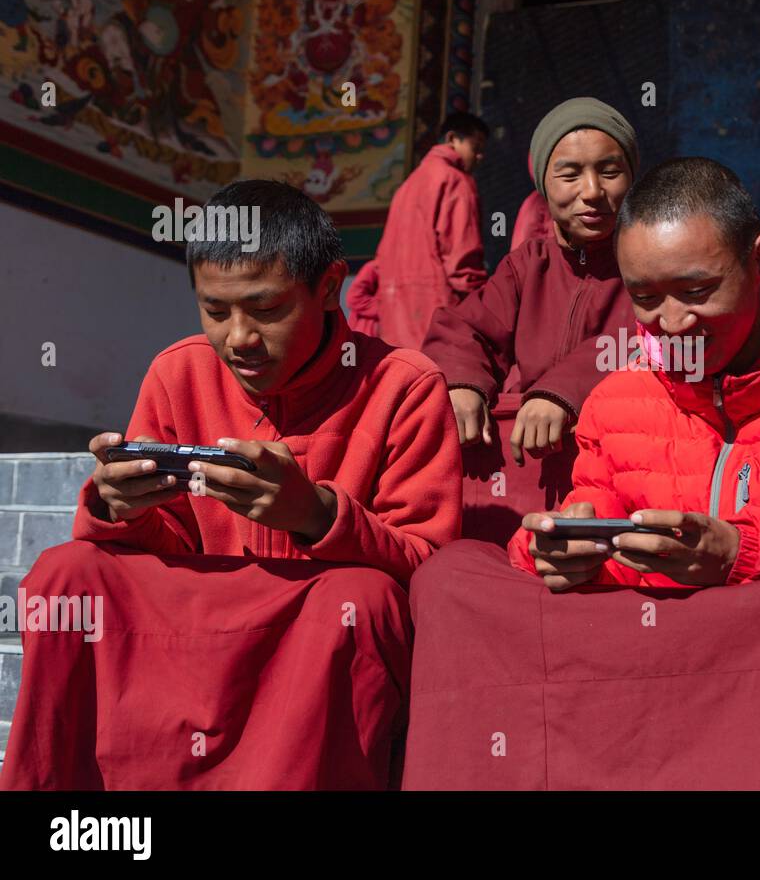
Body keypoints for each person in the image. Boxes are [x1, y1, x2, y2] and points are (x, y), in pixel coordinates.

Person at [402, 158, 760, 790]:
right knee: (453, 577)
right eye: (644, 298)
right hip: (641, 644)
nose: (671, 323)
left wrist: (743, 555)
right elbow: (593, 529)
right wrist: (556, 553)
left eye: (696, 292)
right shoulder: (617, 398)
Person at [0, 180, 462, 790]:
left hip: (309, 615)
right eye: (215, 311)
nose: (238, 338)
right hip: (200, 606)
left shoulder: (402, 385)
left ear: (329, 287)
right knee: (68, 574)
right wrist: (120, 505)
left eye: (265, 309)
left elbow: (427, 562)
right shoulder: (179, 370)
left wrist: (317, 515)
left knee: (361, 599)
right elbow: (152, 546)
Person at [420, 98, 639, 537]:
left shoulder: (648, 258)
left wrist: (561, 390)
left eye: (609, 171)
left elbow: (650, 336)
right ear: (543, 182)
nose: (593, 191)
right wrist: (463, 381)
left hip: (615, 465)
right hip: (527, 471)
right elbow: (467, 327)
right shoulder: (528, 263)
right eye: (570, 173)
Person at [373, 112, 489, 349]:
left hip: (395, 315)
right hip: (437, 314)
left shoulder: (408, 184)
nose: (480, 156)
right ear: (452, 138)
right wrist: (482, 307)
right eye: (475, 147)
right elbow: (462, 259)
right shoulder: (456, 180)